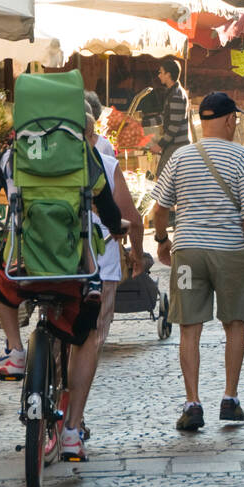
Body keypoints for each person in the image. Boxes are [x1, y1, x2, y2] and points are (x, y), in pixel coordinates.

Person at [0, 113, 126, 459]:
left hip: (22, 271)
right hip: (75, 272)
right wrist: (117, 227)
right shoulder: (86, 156)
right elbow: (110, 212)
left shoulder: (8, 158)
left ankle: (15, 350)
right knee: (87, 337)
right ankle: (71, 431)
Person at [152, 92, 244, 431]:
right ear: (230, 120)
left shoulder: (180, 156)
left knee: (189, 328)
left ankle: (192, 402)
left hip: (188, 254)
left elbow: (160, 209)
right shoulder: (243, 157)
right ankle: (230, 398)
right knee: (234, 323)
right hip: (229, 252)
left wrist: (162, 240)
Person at [84, 111, 145, 352]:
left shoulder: (43, 165)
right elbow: (130, 218)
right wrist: (137, 256)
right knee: (93, 339)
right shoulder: (106, 165)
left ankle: (52, 380)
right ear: (92, 137)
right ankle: (75, 390)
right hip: (101, 263)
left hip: (55, 263)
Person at [140, 58, 191, 176]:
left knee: (162, 176)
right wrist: (142, 123)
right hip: (173, 145)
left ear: (168, 75)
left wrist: (159, 145)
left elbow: (174, 126)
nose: (159, 75)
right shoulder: (172, 92)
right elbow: (164, 117)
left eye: (161, 72)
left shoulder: (176, 95)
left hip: (177, 146)